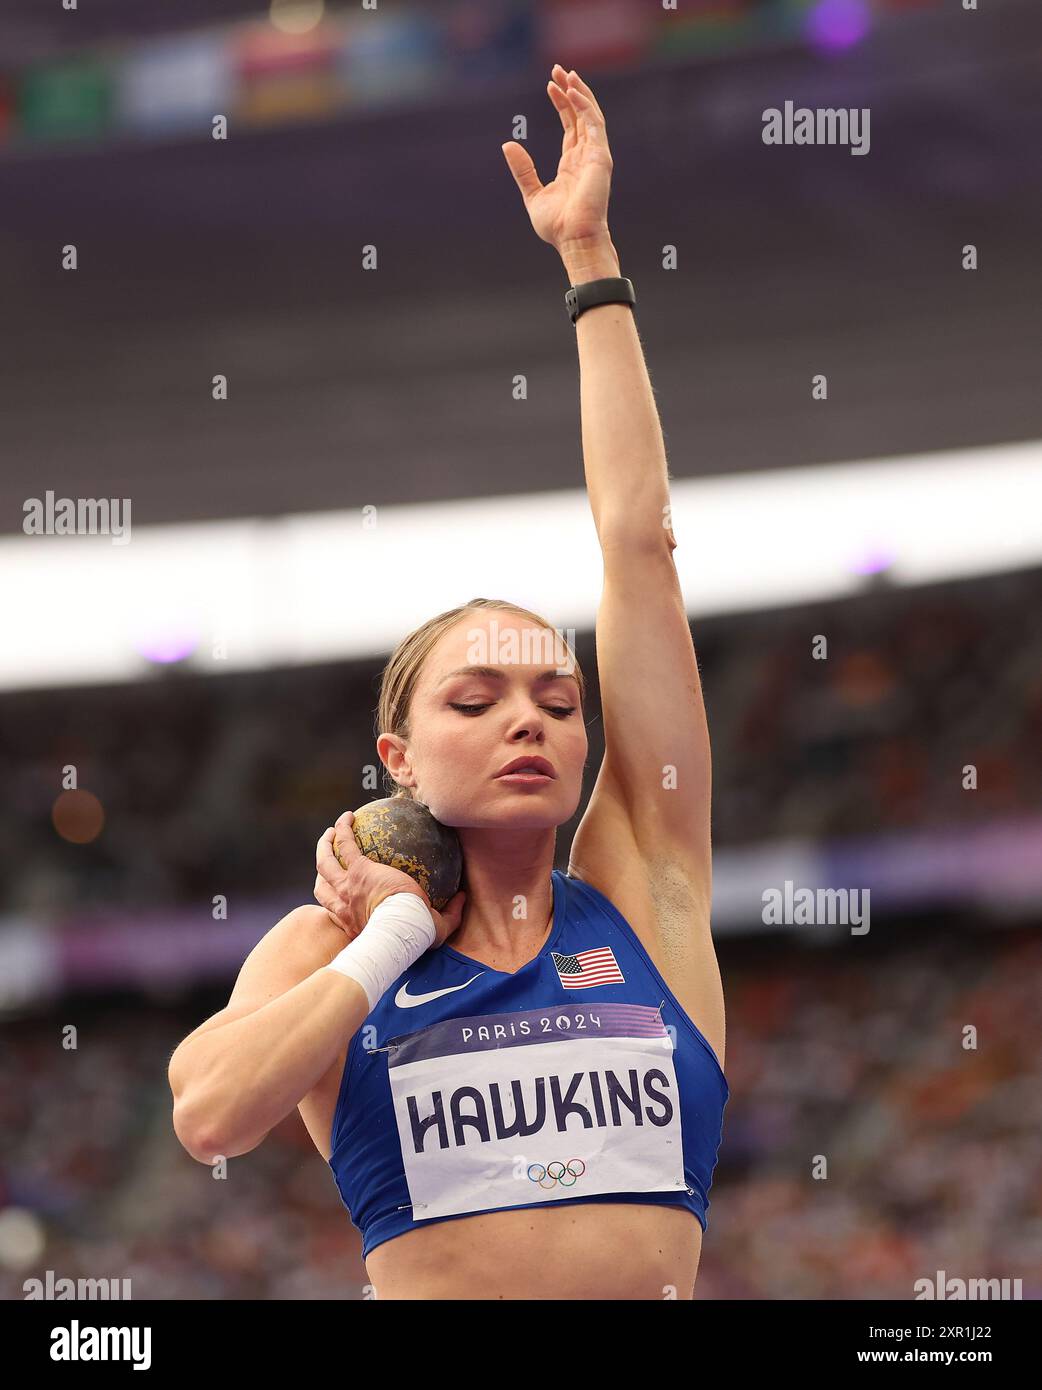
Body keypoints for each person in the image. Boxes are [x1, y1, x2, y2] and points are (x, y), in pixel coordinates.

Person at [169, 65, 726, 1300]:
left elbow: (639, 541)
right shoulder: (334, 936)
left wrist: (590, 260)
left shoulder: (647, 883)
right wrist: (392, 943)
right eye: (474, 700)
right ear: (401, 755)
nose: (527, 714)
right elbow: (210, 1115)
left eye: (556, 701)